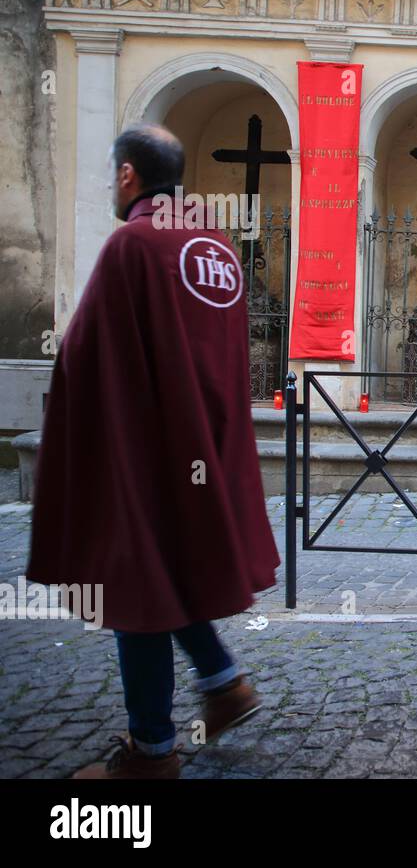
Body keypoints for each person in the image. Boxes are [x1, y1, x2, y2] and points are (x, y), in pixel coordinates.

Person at [27, 124, 279, 778]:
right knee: (170, 571)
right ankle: (225, 683)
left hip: (148, 447)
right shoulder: (215, 242)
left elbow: (82, 353)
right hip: (205, 443)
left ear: (129, 176)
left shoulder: (132, 245)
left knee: (135, 586)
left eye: (115, 173)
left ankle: (151, 752)